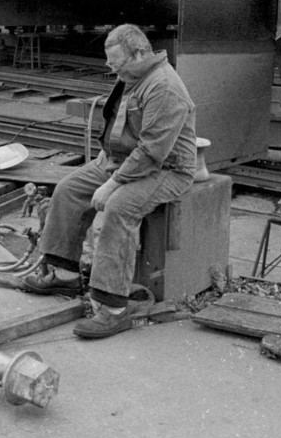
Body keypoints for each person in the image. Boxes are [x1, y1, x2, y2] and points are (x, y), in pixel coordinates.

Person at [25, 24, 197, 339]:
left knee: (119, 207)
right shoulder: (133, 75)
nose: (111, 68)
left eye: (116, 62)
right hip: (123, 160)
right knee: (69, 190)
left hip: (168, 169)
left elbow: (152, 151)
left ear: (140, 53)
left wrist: (112, 183)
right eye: (110, 62)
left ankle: (114, 309)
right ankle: (64, 274)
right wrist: (108, 164)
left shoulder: (164, 87)